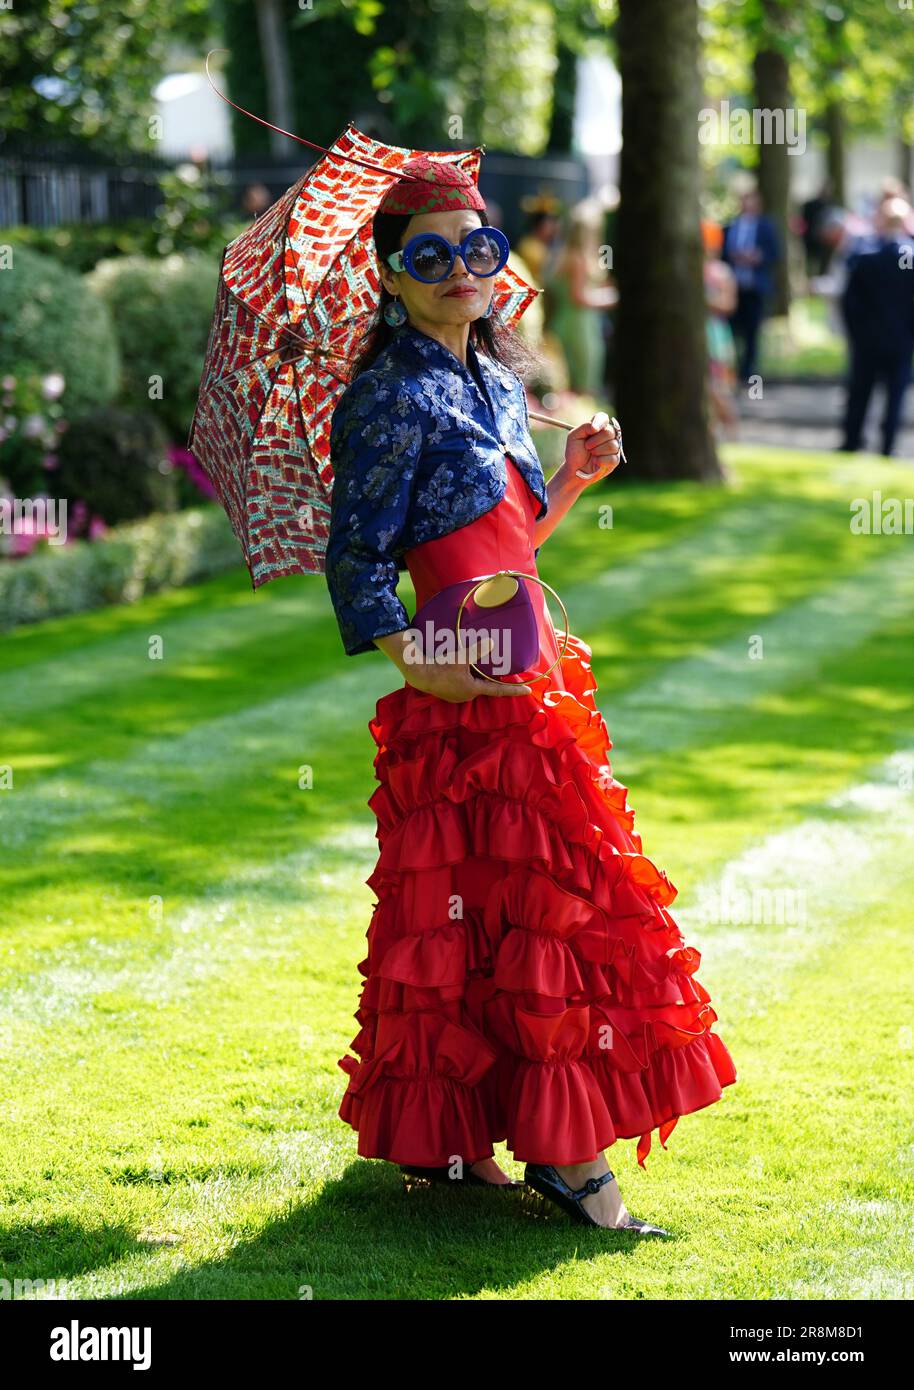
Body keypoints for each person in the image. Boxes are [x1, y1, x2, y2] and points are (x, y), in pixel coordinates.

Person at [324, 155, 737, 1232]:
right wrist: (408, 654)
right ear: (390, 272)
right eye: (430, 255)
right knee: (552, 903)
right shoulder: (383, 395)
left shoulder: (497, 379)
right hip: (463, 688)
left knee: (497, 916)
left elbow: (504, 544)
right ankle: (569, 1156)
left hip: (526, 666)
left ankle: (460, 1146)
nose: (460, 270)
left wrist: (571, 484)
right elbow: (357, 557)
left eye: (478, 249)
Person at [840, 196, 914, 457]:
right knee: (895, 397)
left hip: (868, 340)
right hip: (902, 340)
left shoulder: (866, 258)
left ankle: (852, 440)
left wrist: (856, 334)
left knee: (860, 392)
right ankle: (888, 446)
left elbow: (850, 303)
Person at [544, 201, 617, 399]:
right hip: (579, 327)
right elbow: (579, 297)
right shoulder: (578, 259)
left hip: (574, 324)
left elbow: (604, 277)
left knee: (575, 387)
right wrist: (612, 298)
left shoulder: (569, 254)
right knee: (584, 388)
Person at [722, 186, 780, 383]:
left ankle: (749, 372)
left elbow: (775, 253)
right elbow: (723, 254)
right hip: (734, 288)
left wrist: (758, 257)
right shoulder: (730, 226)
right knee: (733, 329)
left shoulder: (766, 226)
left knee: (752, 331)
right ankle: (733, 369)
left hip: (755, 287)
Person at [702, 219, 739, 436]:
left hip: (715, 335)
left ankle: (732, 431)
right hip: (702, 335)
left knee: (718, 388)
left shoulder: (721, 272)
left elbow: (728, 305)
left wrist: (704, 299)